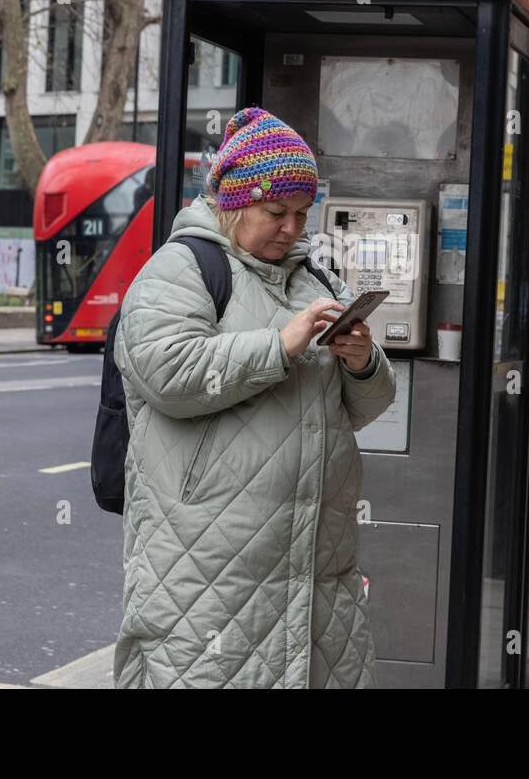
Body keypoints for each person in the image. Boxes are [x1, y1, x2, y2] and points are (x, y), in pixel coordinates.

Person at [112, 107, 396, 689]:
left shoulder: (316, 280)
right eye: (276, 212)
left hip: (316, 569)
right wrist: (280, 344)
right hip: (208, 571)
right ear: (235, 202)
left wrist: (363, 363)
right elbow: (167, 374)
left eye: (300, 213)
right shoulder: (183, 268)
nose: (292, 228)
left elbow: (365, 408)